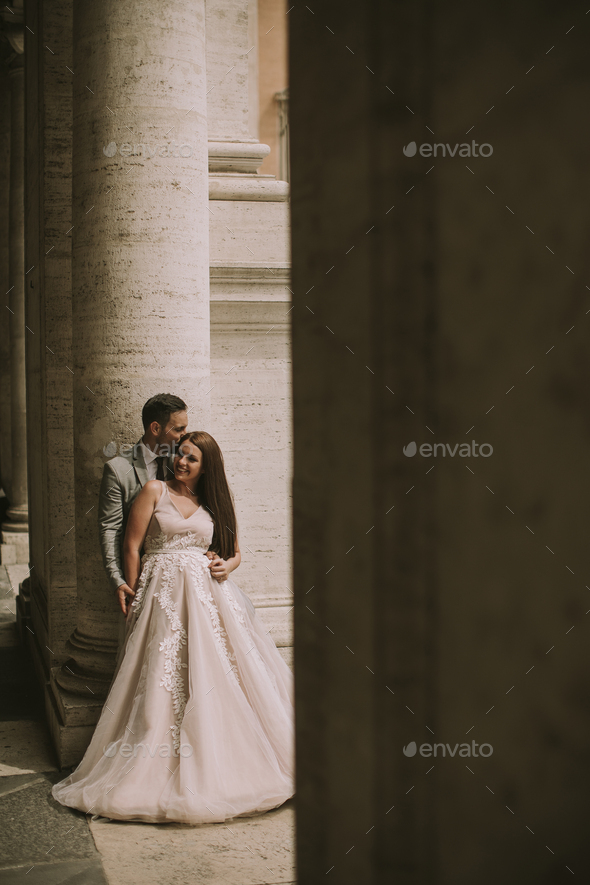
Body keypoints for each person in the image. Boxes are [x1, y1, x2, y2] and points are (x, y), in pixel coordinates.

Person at [52, 430, 294, 824]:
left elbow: (234, 553)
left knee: (216, 671)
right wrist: (130, 590)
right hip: (160, 593)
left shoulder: (213, 501)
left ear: (207, 466)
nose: (181, 463)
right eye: (179, 455)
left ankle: (225, 762)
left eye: (192, 459)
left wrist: (225, 566)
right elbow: (132, 545)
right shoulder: (154, 489)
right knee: (163, 673)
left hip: (208, 597)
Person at [99, 393, 192, 617]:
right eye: (178, 429)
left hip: (186, 577)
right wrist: (117, 580)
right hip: (141, 577)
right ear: (155, 428)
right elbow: (110, 529)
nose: (184, 435)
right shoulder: (118, 470)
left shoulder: (186, 461)